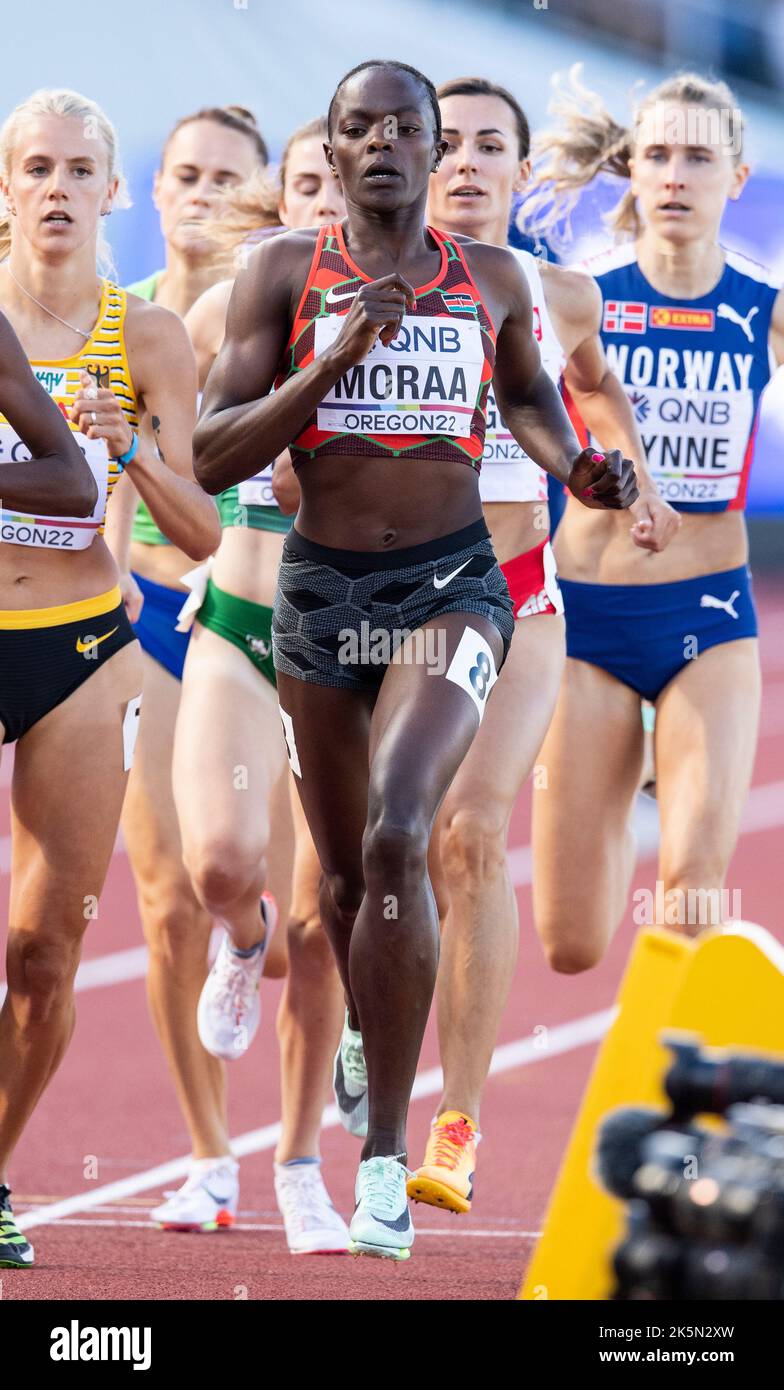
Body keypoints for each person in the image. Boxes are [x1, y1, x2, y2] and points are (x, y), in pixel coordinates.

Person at [193, 59, 637, 1261]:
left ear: (437, 150)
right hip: (319, 595)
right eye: (358, 128)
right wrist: (333, 362)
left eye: (407, 128)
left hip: (451, 587)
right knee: (343, 883)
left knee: (404, 831)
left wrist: (582, 467)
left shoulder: (486, 276)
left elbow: (535, 405)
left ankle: (385, 1153)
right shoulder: (279, 273)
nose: (383, 143)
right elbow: (213, 453)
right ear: (330, 152)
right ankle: (364, 1033)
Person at [399, 76, 679, 1217]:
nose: (464, 164)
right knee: (375, 854)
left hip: (517, 599)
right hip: (376, 601)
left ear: (523, 172)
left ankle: (456, 1122)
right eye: (445, 144)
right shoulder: (352, 282)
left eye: (488, 147)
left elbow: (598, 399)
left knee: (468, 834)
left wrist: (635, 477)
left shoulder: (561, 296)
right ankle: (369, 1017)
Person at [0, 87, 218, 1268]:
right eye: (34, 167)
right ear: (4, 186)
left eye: (79, 170)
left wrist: (125, 442)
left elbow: (197, 535)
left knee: (42, 953)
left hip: (84, 645)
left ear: (112, 190)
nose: (56, 190)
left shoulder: (148, 339)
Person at [525, 70, 783, 968]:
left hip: (709, 615)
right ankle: (629, 768)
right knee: (569, 940)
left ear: (737, 179)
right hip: (588, 619)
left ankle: (674, 1094)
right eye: (659, 155)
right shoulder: (575, 299)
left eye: (699, 157)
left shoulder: (764, 308)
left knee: (691, 891)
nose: (675, 175)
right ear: (631, 170)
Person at [172, 118, 350, 1253]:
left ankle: (297, 1166)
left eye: (344, 186)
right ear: (280, 197)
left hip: (353, 639)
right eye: (307, 183)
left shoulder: (414, 323)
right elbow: (169, 458)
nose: (326, 202)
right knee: (220, 865)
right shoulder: (225, 307)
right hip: (238, 622)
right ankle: (238, 948)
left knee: (327, 915)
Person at [107, 107, 281, 1234]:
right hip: (146, 619)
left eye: (227, 177)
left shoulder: (266, 309)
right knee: (167, 898)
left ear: (261, 192)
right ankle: (212, 1156)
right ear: (153, 188)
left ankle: (316, 1142)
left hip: (273, 618)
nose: (203, 193)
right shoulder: (119, 322)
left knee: (305, 908)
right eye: (185, 174)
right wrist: (116, 559)